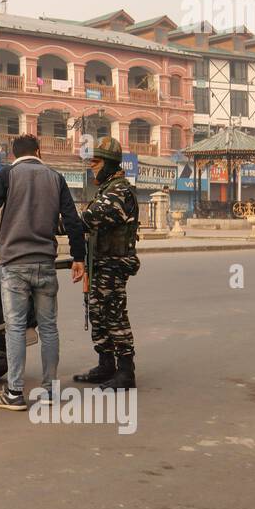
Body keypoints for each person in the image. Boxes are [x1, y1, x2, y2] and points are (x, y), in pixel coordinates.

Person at [0, 134, 85, 411]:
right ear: (39, 151)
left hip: (14, 264)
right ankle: (49, 391)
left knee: (15, 328)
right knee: (49, 327)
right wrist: (78, 257)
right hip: (45, 264)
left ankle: (14, 393)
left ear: (13, 155)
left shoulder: (7, 175)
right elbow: (72, 220)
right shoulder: (55, 177)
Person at [72, 136, 141, 389]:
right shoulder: (107, 189)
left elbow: (86, 220)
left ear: (111, 164)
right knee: (98, 314)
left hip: (113, 265)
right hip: (101, 264)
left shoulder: (119, 192)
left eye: (97, 161)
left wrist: (49, 222)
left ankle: (125, 372)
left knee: (114, 316)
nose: (92, 166)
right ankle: (105, 365)